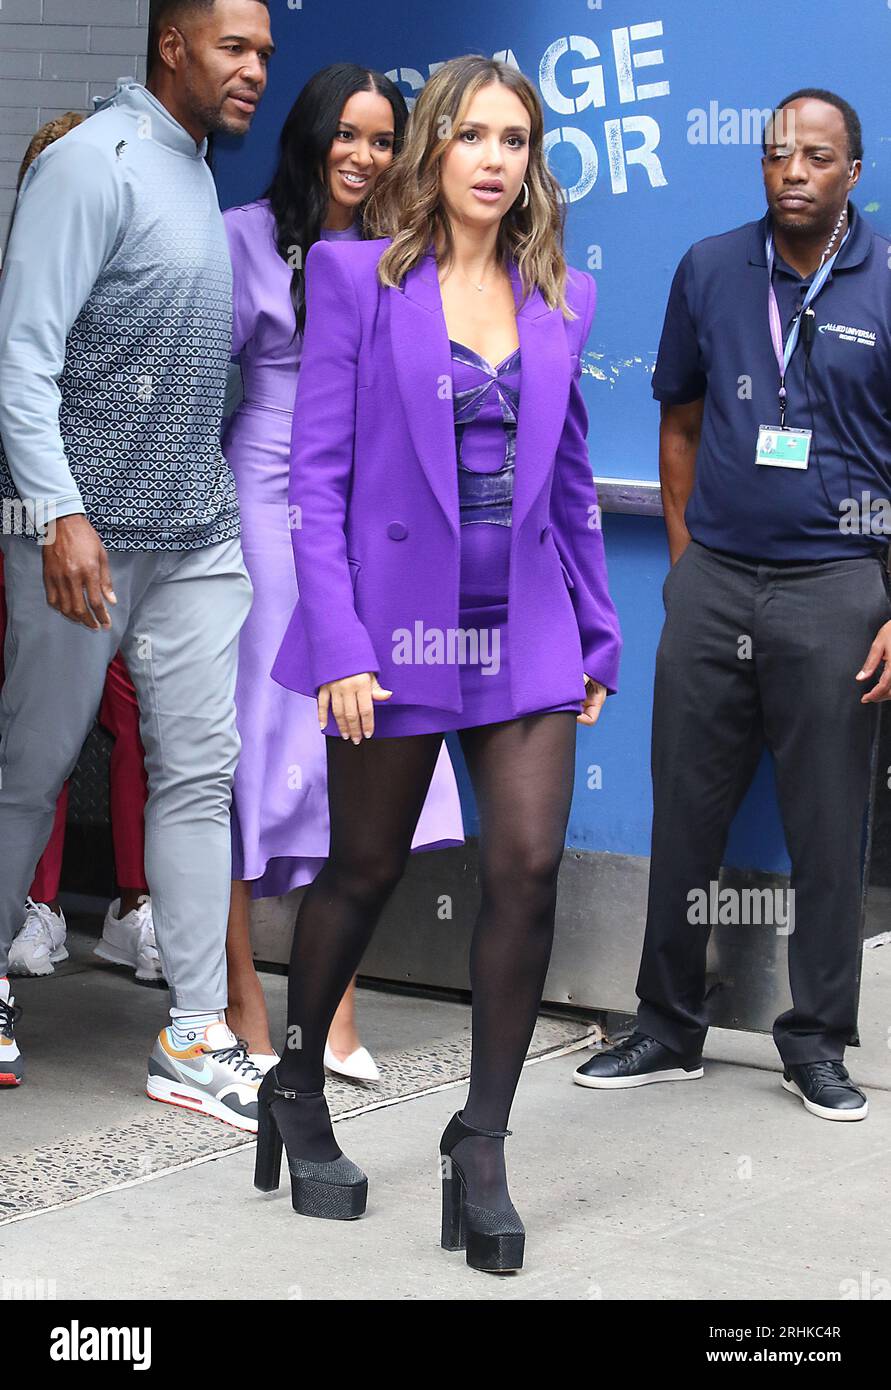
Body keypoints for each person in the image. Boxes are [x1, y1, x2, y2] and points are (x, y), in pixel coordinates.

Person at [259, 55, 621, 1273]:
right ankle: (296, 1087)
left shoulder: (559, 297)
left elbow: (571, 489)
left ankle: (484, 1143)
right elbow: (314, 482)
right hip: (394, 632)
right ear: (435, 148)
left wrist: (597, 628)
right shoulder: (359, 277)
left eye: (513, 139)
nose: (491, 158)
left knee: (525, 868)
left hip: (520, 629)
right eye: (470, 134)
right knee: (362, 872)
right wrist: (343, 644)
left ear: (531, 162)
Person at [575, 90, 891, 1123]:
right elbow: (679, 423)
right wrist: (683, 562)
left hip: (840, 583)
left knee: (829, 826)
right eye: (775, 156)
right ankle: (666, 1025)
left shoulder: (886, 279)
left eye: (815, 157)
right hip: (715, 579)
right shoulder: (712, 269)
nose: (792, 172)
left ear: (854, 172)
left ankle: (817, 1039)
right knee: (686, 812)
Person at [0, 0, 273, 1127]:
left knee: (201, 773)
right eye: (235, 48)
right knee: (33, 766)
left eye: (263, 50)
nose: (256, 68)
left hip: (195, 533)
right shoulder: (90, 161)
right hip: (87, 539)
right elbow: (23, 355)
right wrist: (57, 514)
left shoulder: (197, 170)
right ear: (173, 44)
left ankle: (196, 1034)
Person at [221, 64, 464, 1076]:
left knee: (350, 745)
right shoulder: (240, 237)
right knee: (244, 753)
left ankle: (329, 1012)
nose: (364, 156)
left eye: (382, 138)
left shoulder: (396, 254)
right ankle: (240, 1004)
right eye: (348, 135)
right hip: (256, 506)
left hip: (358, 519)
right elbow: (202, 383)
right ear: (314, 134)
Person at [0, 115, 160, 987]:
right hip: (30, 535)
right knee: (37, 732)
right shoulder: (21, 291)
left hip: (124, 539)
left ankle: (137, 908)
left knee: (141, 717)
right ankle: (37, 906)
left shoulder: (140, 290)